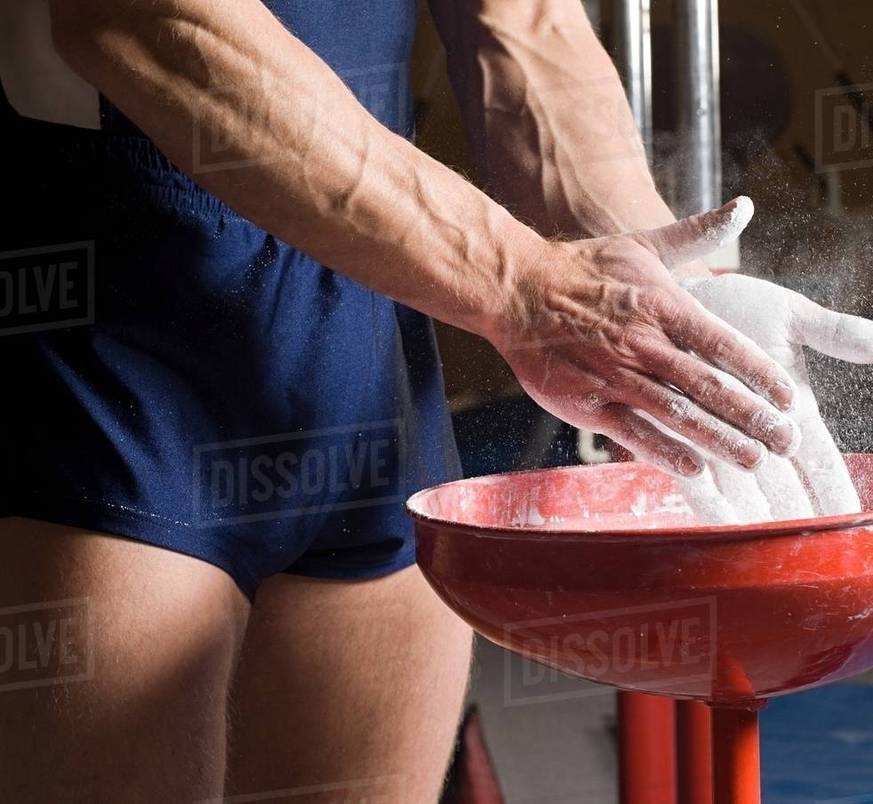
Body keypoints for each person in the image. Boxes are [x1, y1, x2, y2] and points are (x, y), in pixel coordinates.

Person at [0, 1, 809, 800]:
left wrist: (667, 292)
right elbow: (145, 19)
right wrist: (526, 285)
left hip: (367, 337)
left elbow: (523, 20)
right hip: (109, 340)